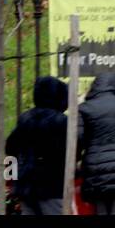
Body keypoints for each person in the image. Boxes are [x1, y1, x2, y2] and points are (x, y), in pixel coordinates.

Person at [77, 71, 115, 215]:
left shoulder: (85, 107)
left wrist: (88, 152)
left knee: (100, 210)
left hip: (95, 168)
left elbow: (79, 138)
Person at [6, 75, 69, 215]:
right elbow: (72, 152)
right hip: (52, 186)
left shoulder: (25, 118)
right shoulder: (62, 121)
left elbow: (10, 147)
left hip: (27, 184)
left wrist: (12, 176)